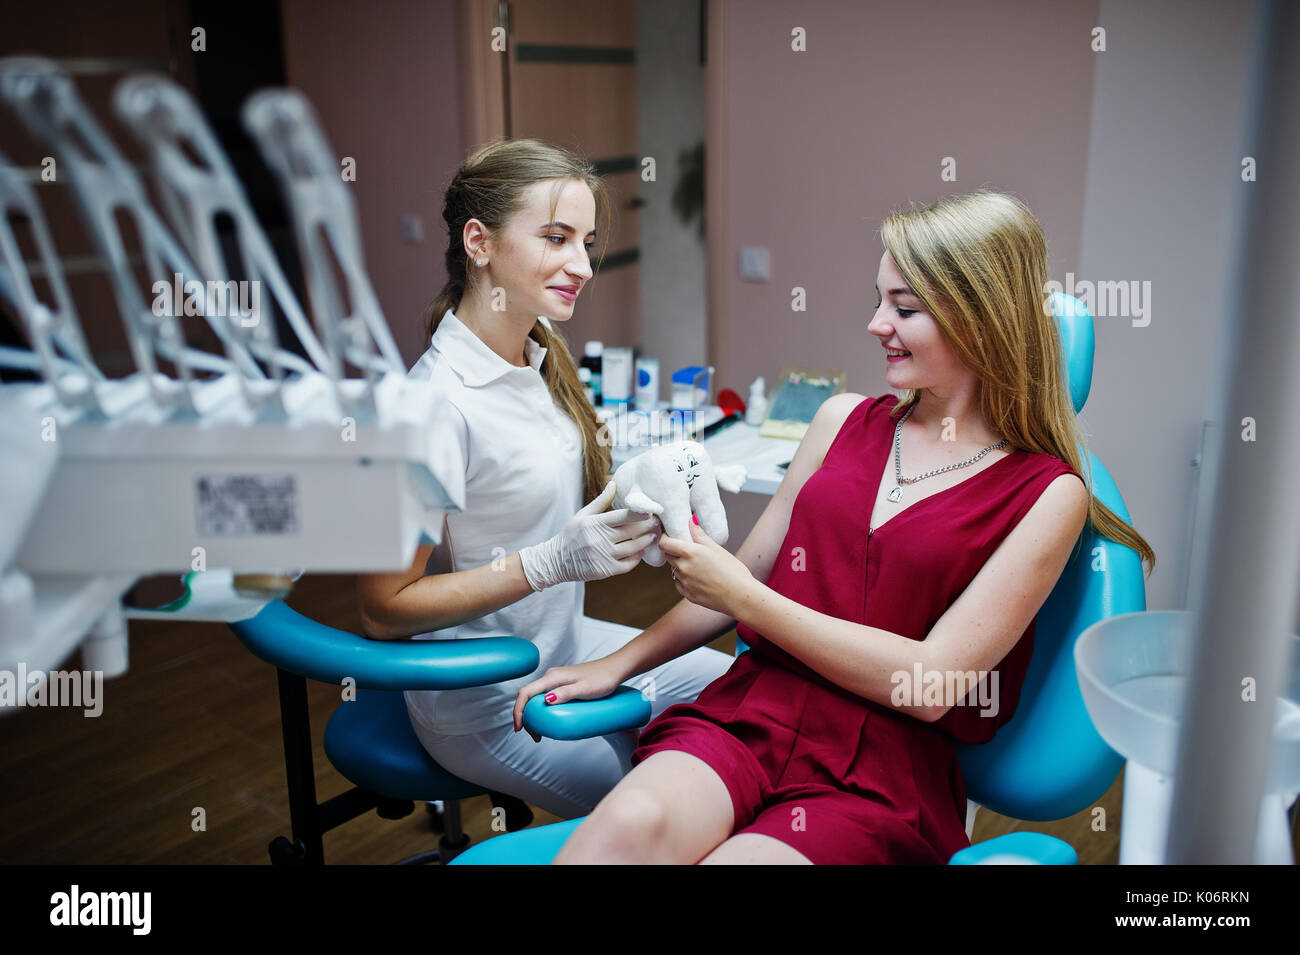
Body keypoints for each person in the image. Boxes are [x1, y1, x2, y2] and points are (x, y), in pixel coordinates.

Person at [512, 189, 1156, 863]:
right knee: (622, 829)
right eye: (879, 301)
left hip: (880, 768)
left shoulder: (1049, 494)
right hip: (751, 714)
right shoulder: (840, 421)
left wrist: (744, 598)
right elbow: (742, 577)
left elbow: (932, 684)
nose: (877, 324)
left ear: (980, 317)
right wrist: (615, 664)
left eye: (904, 308)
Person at [355, 138, 733, 819]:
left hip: (567, 645)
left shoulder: (536, 354)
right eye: (556, 238)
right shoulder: (433, 407)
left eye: (586, 242)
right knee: (683, 810)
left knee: (751, 696)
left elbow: (534, 489)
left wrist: (642, 481)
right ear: (479, 242)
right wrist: (546, 563)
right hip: (485, 696)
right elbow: (383, 609)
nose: (582, 265)